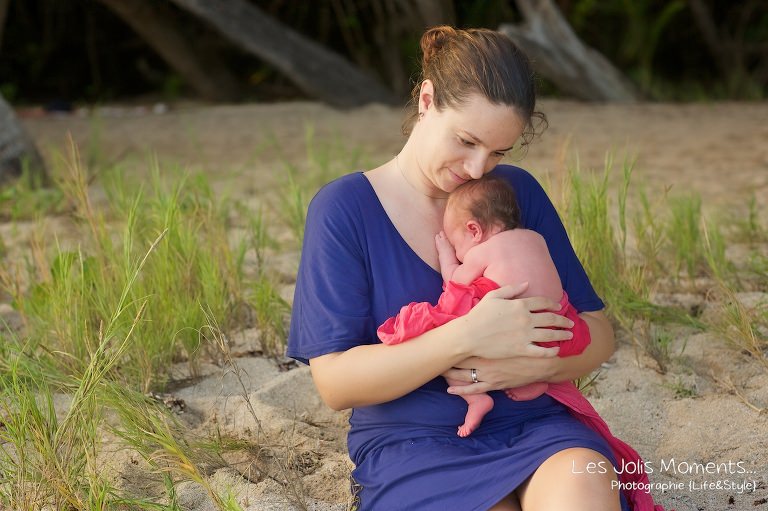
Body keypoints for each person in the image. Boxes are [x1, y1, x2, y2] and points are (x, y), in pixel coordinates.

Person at [288, 25, 662, 511]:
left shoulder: (513, 193)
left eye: (498, 152)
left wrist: (539, 363)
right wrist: (468, 336)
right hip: (414, 445)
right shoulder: (344, 209)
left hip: (537, 426)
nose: (477, 168)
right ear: (427, 101)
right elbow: (336, 384)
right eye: (466, 141)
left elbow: (598, 334)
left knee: (583, 492)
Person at [376, 176, 593, 437]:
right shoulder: (536, 238)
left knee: (446, 338)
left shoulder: (482, 251)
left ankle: (477, 398)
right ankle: (536, 382)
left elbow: (456, 280)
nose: (457, 251)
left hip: (508, 326)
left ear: (474, 231)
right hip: (555, 330)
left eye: (458, 245)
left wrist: (446, 255)